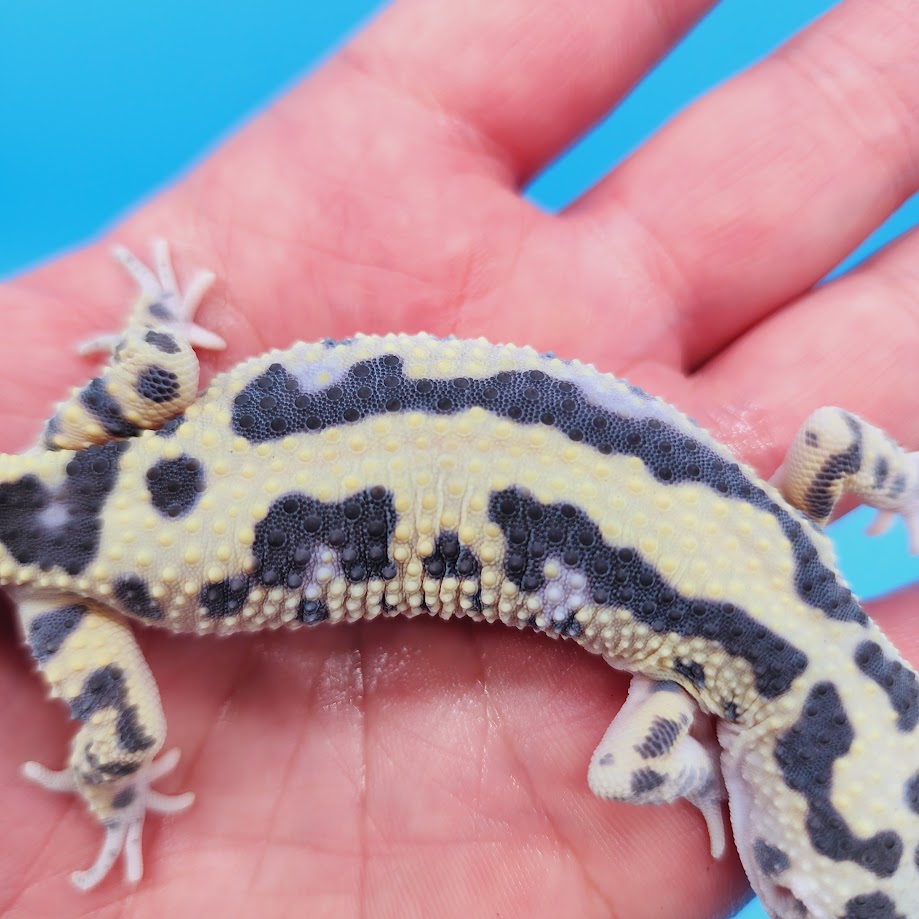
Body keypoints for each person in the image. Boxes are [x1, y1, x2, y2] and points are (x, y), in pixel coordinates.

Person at [1, 1, 917, 915]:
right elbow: (626, 771)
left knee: (165, 371)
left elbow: (836, 439)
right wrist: (700, 775)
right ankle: (106, 787)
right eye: (794, 904)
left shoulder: (794, 528)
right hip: (96, 563)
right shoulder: (692, 690)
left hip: (126, 460)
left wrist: (900, 483)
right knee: (125, 741)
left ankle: (154, 335)